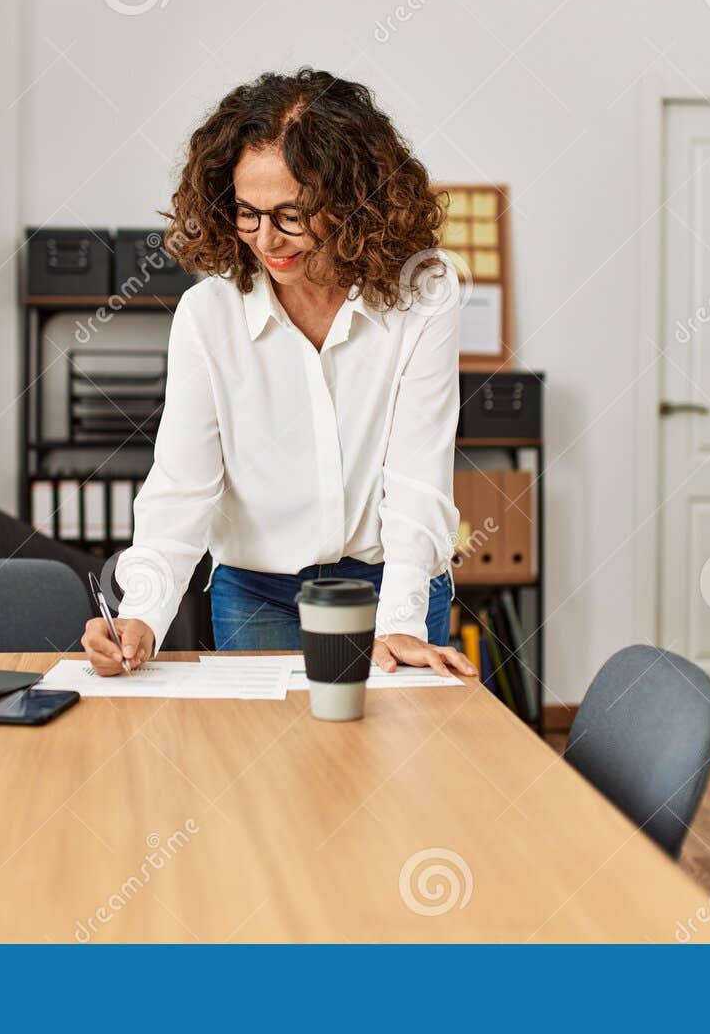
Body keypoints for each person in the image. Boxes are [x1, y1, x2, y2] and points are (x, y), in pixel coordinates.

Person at [79, 68, 476, 682]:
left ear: (353, 201)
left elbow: (417, 475)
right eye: (247, 212)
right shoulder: (208, 314)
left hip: (392, 583)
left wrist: (400, 619)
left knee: (397, 744)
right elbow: (182, 488)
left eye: (291, 214)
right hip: (257, 592)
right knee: (267, 747)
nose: (266, 239)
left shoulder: (422, 293)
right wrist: (141, 613)